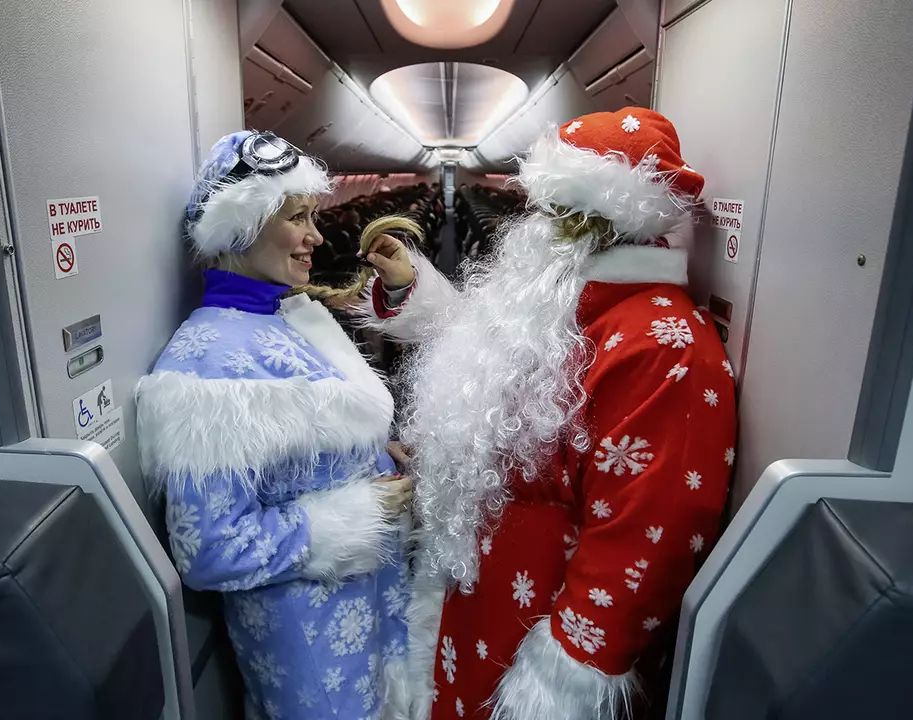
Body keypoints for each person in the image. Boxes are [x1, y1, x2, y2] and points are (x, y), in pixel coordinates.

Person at [358, 108, 737, 719]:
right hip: (477, 594)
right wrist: (415, 291)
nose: (528, 225)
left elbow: (649, 535)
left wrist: (560, 683)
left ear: (591, 223)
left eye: (548, 211)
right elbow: (484, 361)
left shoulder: (662, 343)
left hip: (534, 623)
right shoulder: (566, 302)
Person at [135, 130, 419, 720]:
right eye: (299, 218)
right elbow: (209, 548)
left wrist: (373, 454)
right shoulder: (207, 367)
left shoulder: (289, 317)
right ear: (243, 226)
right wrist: (360, 512)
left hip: (366, 613)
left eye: (315, 217)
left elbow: (299, 459)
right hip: (307, 644)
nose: (317, 236)